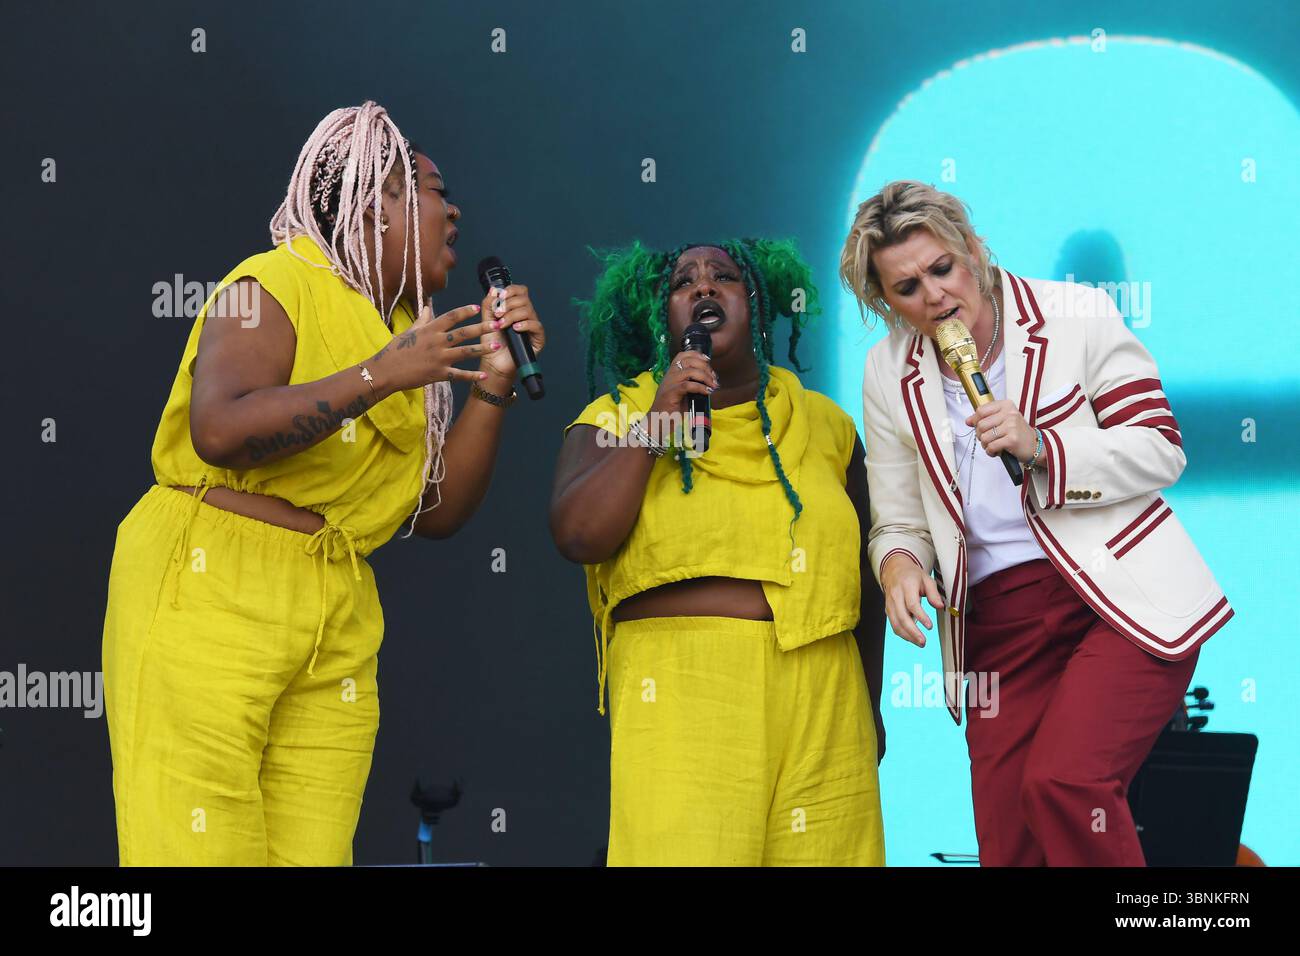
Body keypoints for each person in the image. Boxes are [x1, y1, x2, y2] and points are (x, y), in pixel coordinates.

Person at [101, 101, 546, 865]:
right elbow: (222, 429)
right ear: (379, 204)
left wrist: (492, 384)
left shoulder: (410, 348)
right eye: (436, 189)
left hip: (335, 615)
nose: (457, 209)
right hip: (211, 581)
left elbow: (432, 511)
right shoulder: (271, 281)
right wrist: (380, 374)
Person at [842, 180, 1232, 866]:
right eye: (906, 288)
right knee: (1008, 839)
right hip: (998, 623)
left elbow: (1161, 446)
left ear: (976, 250)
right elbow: (898, 520)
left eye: (943, 268)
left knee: (1065, 783)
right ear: (885, 302)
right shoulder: (886, 370)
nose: (933, 296)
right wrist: (899, 564)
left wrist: (1042, 445)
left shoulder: (1076, 313)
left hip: (1117, 598)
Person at [550, 238, 886, 866]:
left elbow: (866, 582)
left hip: (825, 702)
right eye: (683, 283)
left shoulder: (826, 426)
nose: (703, 288)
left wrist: (870, 703)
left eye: (724, 277)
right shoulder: (617, 415)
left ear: (755, 303)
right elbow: (577, 534)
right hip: (680, 694)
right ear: (661, 316)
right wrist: (657, 421)